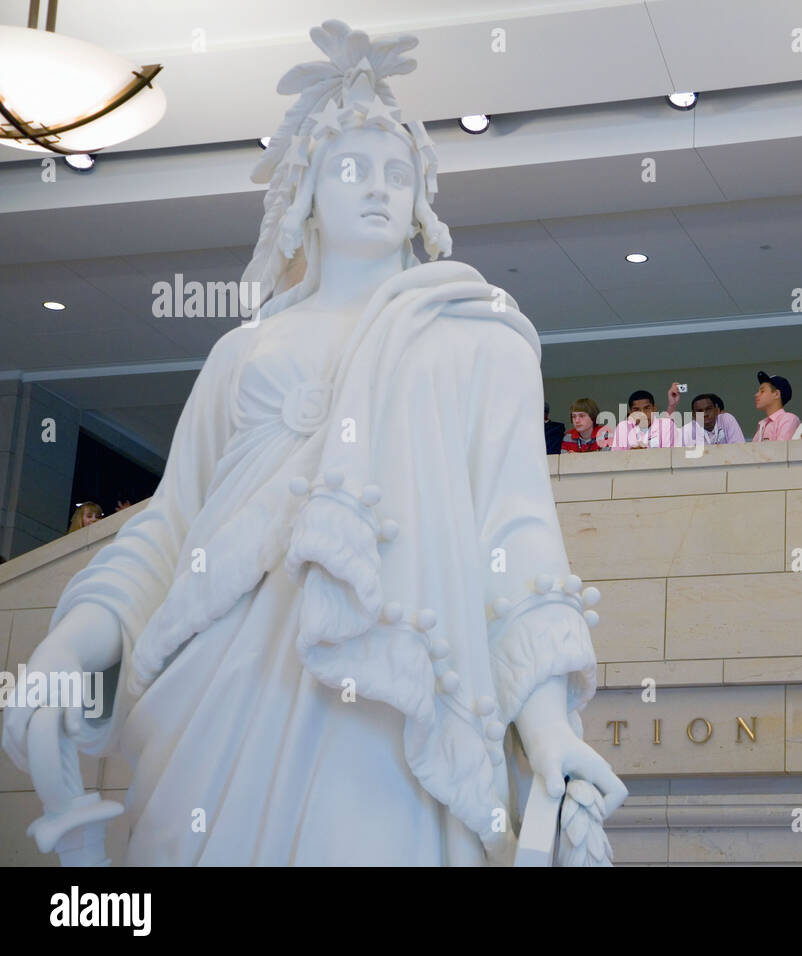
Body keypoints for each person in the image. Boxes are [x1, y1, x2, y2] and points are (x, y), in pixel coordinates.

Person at [1, 21, 624, 867]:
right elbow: (171, 528)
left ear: (421, 197)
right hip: (217, 702)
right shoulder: (243, 354)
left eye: (397, 172)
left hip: (389, 716)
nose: (378, 187)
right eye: (351, 168)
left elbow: (516, 539)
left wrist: (547, 728)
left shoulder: (475, 338)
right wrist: (72, 645)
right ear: (305, 192)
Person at [612, 389, 679, 448]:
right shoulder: (622, 427)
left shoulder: (666, 425)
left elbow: (668, 456)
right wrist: (632, 452)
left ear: (654, 408)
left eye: (647, 408)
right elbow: (616, 457)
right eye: (636, 410)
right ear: (630, 413)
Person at [680, 392, 744, 445]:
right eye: (699, 411)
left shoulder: (726, 419)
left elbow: (739, 448)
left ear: (716, 410)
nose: (705, 414)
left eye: (708, 409)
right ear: (694, 415)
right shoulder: (687, 431)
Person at [752, 371, 799, 442]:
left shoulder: (788, 419)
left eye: (762, 391)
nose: (756, 395)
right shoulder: (763, 424)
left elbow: (781, 450)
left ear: (776, 394)